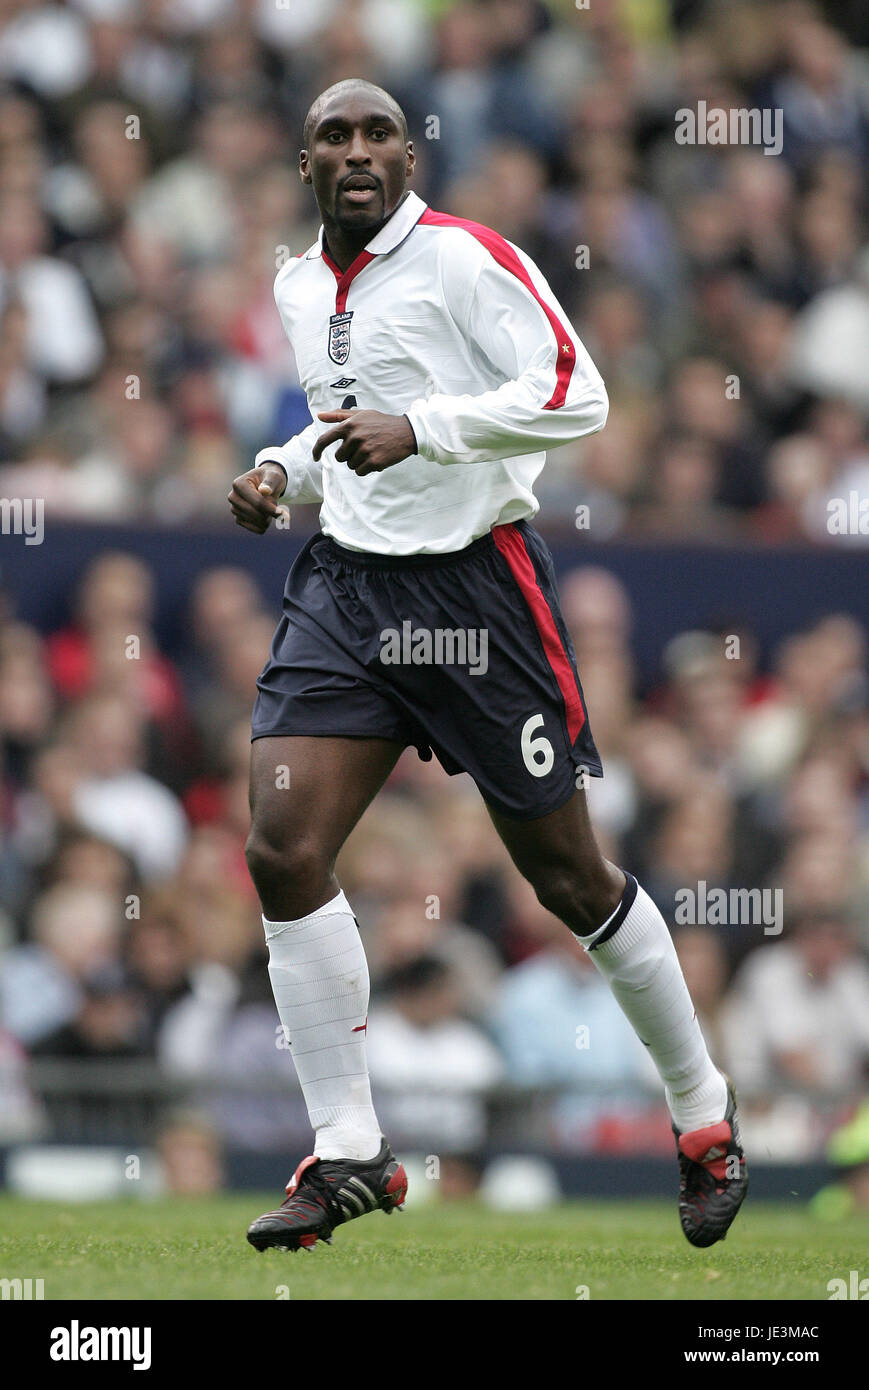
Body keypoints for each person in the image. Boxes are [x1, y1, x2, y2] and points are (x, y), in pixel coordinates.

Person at [227, 79, 747, 1255]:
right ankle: (351, 1147)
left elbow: (579, 392)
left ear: (409, 160)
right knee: (279, 845)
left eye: (377, 136)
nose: (356, 153)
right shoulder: (297, 282)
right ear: (303, 163)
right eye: (332, 137)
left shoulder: (467, 260)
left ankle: (702, 1117)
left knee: (569, 878)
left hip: (477, 592)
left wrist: (431, 428)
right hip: (350, 589)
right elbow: (337, 426)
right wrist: (279, 472)